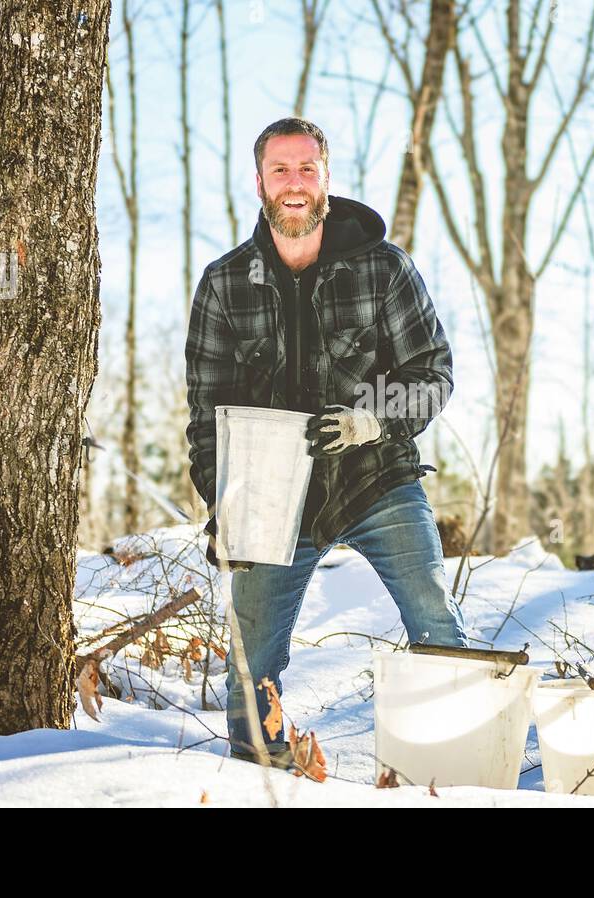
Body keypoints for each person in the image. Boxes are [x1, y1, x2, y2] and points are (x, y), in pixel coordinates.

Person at [184, 117, 468, 766]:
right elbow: (207, 419)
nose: (294, 182)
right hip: (269, 493)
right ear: (259, 182)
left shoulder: (384, 269)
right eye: (280, 169)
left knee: (436, 619)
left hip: (377, 478)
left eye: (307, 169)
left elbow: (434, 375)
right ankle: (269, 777)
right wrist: (223, 501)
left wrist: (375, 417)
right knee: (249, 666)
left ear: (326, 183)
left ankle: (456, 777)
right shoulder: (225, 284)